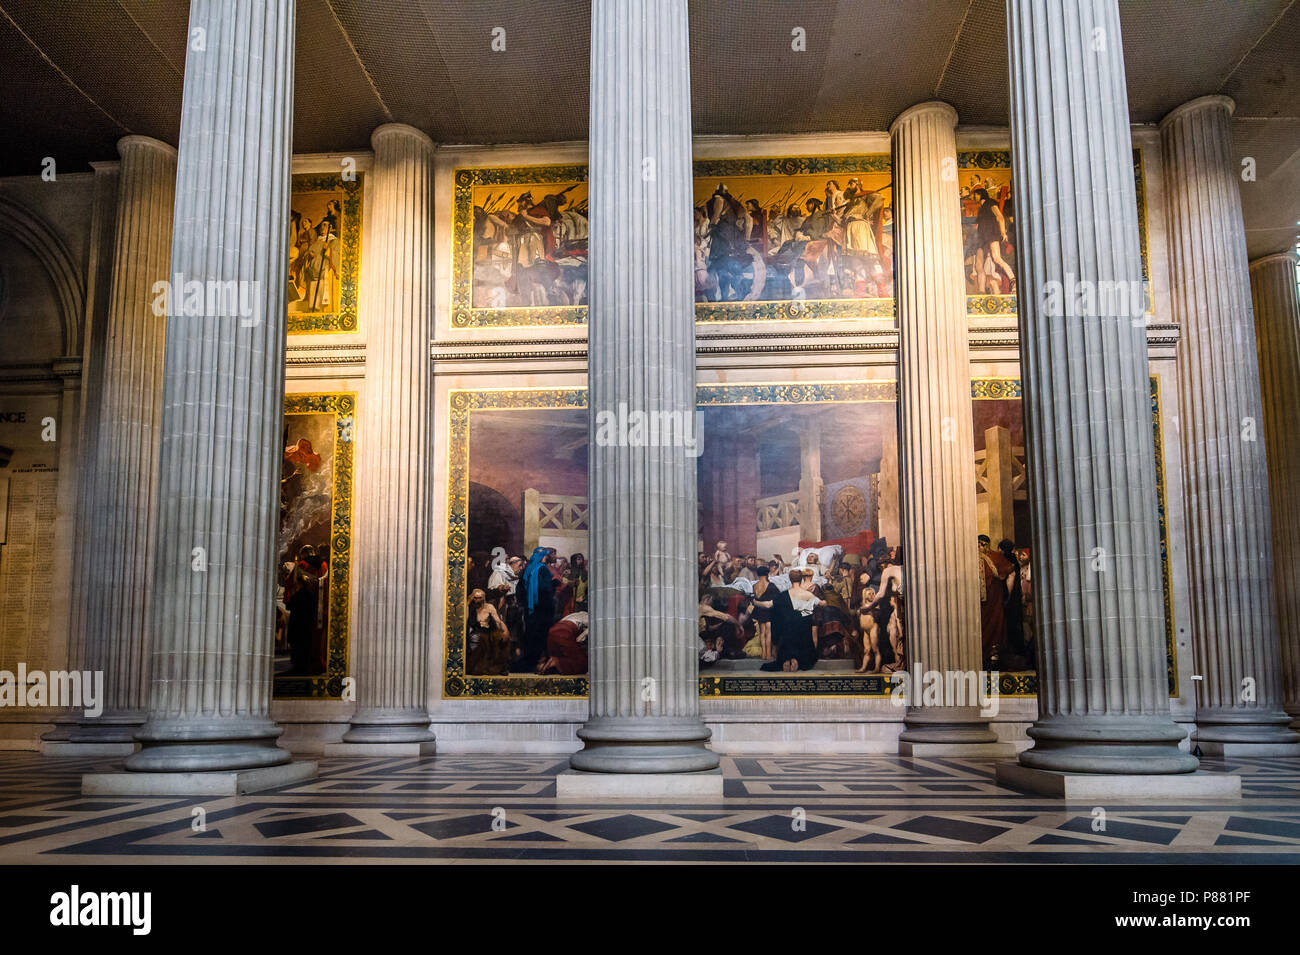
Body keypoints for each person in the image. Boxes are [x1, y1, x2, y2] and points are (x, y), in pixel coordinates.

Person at [756, 569, 823, 672]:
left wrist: (755, 602)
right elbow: (822, 603)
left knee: (786, 636)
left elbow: (768, 605)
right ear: (801, 579)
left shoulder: (783, 595)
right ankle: (797, 660)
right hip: (803, 628)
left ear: (790, 579)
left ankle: (787, 659)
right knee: (803, 642)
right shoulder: (808, 594)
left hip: (788, 628)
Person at [515, 547, 556, 672]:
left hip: (530, 610)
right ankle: (537, 663)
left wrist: (525, 603)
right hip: (542, 610)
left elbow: (519, 590)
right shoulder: (543, 569)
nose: (546, 557)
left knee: (530, 634)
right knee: (541, 636)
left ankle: (529, 662)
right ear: (542, 556)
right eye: (545, 555)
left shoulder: (528, 569)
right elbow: (546, 590)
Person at [466, 588, 510, 675]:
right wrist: (467, 603)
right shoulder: (470, 607)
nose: (478, 600)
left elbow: (498, 621)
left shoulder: (489, 607)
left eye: (480, 598)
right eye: (475, 598)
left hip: (489, 631)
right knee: (482, 639)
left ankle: (500, 667)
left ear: (484, 598)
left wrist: (505, 630)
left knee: (500, 638)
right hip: (476, 632)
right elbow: (464, 620)